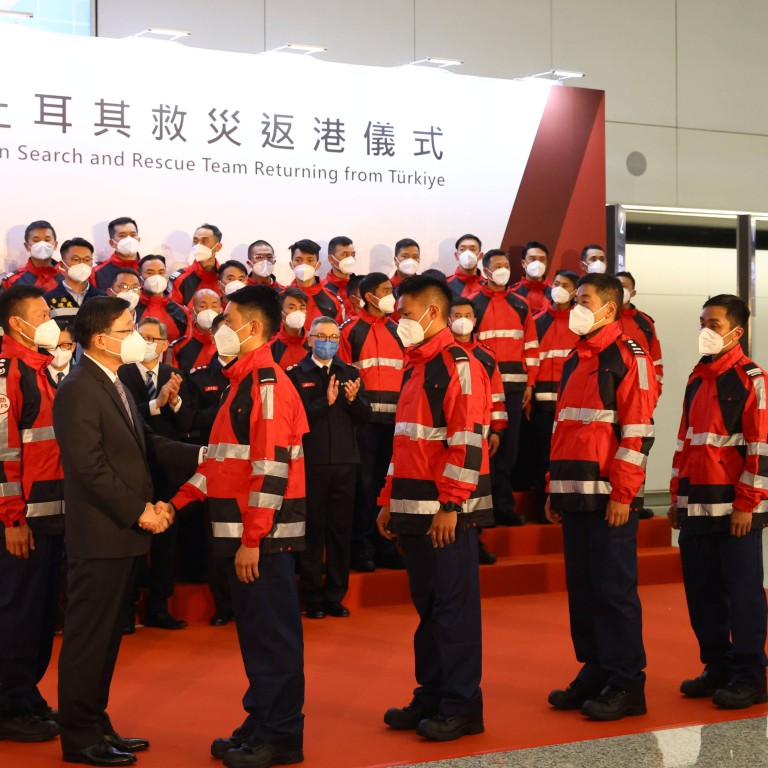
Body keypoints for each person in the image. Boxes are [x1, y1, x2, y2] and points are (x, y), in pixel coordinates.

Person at [53, 296, 200, 766]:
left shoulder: (110, 381)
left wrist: (205, 455)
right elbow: (89, 467)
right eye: (128, 327)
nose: (137, 335)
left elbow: (145, 444)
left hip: (121, 534)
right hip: (102, 534)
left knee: (107, 638)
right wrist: (141, 511)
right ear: (101, 339)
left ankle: (97, 722)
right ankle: (79, 736)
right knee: (88, 639)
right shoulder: (79, 387)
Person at [170, 285, 308, 768]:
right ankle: (261, 721)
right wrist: (178, 501)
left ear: (252, 329)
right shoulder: (241, 382)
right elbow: (224, 463)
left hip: (262, 541)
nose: (218, 327)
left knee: (272, 637)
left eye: (227, 319)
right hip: (243, 536)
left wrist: (253, 539)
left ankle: (282, 734)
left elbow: (270, 469)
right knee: (257, 635)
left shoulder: (266, 384)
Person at [377, 275, 492, 742]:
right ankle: (432, 693)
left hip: (446, 512)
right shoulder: (416, 365)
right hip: (411, 506)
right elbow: (403, 441)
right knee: (429, 609)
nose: (399, 322)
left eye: (405, 314)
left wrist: (452, 504)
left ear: (432, 313)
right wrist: (387, 500)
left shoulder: (459, 364)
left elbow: (467, 439)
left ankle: (462, 705)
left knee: (454, 609)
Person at [545, 273, 655, 721]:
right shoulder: (576, 357)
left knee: (614, 591)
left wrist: (623, 495)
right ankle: (596, 670)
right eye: (575, 298)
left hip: (610, 496)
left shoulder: (630, 356)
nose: (576, 304)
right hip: (573, 493)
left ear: (609, 309)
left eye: (584, 299)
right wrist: (553, 485)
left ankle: (628, 683)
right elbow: (564, 427)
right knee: (584, 590)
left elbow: (637, 433)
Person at [669, 294, 768, 709]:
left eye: (714, 323)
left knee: (743, 593)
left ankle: (750, 675)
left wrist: (747, 503)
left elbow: (760, 447)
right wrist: (675, 496)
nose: (705, 330)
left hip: (735, 509)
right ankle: (718, 666)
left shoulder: (753, 379)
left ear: (737, 331)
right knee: (702, 591)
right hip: (696, 505)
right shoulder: (697, 376)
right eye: (702, 322)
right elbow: (685, 442)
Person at [0, 285, 64, 744]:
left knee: (40, 613)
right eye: (42, 313)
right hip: (21, 522)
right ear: (17, 324)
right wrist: (13, 520)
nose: (51, 319)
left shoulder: (39, 368)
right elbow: (3, 453)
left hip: (49, 515)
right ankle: (7, 704)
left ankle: (24, 695)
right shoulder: (8, 373)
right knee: (17, 613)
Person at [287, 317, 370, 618]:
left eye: (333, 337)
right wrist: (326, 401)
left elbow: (366, 415)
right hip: (312, 464)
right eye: (321, 336)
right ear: (309, 339)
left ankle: (335, 595)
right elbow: (294, 421)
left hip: (346, 463)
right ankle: (312, 598)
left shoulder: (350, 372)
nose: (328, 342)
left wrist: (351, 400)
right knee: (312, 532)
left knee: (340, 531)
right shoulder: (296, 374)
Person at [118, 317, 195, 632]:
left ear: (165, 344)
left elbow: (189, 422)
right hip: (133, 466)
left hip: (168, 469)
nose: (149, 342)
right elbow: (124, 416)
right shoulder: (121, 374)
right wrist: (156, 402)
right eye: (143, 336)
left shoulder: (176, 375)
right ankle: (125, 610)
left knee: (165, 539)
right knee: (132, 538)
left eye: (155, 338)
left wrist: (174, 402)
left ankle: (159, 607)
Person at [339, 272, 405, 572]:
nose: (391, 294)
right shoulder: (350, 330)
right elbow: (343, 378)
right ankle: (361, 547)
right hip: (363, 425)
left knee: (387, 486)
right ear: (368, 296)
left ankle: (386, 545)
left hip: (395, 424)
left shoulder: (401, 331)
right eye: (385, 290)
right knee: (364, 488)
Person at [469, 249, 539, 526]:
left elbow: (531, 347)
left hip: (514, 389)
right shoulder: (473, 304)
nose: (502, 270)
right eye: (496, 265)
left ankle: (504, 507)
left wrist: (530, 382)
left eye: (505, 265)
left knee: (508, 450)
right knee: (483, 449)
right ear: (484, 271)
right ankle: (482, 509)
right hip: (482, 389)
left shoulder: (521, 304)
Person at [448, 296, 507, 564]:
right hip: (451, 437)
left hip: (481, 436)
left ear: (475, 320)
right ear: (448, 320)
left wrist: (497, 429)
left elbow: (496, 395)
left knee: (479, 491)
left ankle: (476, 541)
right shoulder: (443, 354)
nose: (462, 320)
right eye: (456, 315)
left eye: (467, 315)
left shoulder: (486, 355)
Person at [187, 314, 235, 627]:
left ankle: (246, 603)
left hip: (246, 471)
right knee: (217, 540)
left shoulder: (256, 374)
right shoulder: (200, 377)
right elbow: (192, 420)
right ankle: (224, 605)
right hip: (212, 467)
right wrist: (225, 408)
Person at [530, 270, 580, 518]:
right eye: (557, 283)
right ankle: (543, 506)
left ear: (575, 292)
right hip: (542, 403)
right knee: (541, 456)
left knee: (568, 456)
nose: (559, 288)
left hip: (572, 405)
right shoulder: (537, 321)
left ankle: (566, 505)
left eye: (566, 285)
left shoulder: (582, 322)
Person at [616, 271, 663, 395]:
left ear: (633, 293)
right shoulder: (603, 319)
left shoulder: (645, 322)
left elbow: (656, 361)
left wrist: (655, 392)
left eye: (624, 285)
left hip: (639, 392)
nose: (620, 290)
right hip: (609, 391)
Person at [45, 237, 106, 326]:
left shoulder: (103, 298)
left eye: (87, 260)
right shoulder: (48, 300)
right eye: (76, 259)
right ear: (62, 264)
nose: (82, 264)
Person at [287, 239, 342, 330]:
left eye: (310, 260)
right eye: (298, 260)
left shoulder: (332, 300)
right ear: (291, 265)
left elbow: (337, 336)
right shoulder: (281, 298)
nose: (304, 265)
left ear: (318, 265)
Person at [135, 255, 189, 344]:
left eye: (161, 272)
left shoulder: (181, 312)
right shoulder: (131, 309)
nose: (157, 277)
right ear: (140, 277)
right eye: (150, 273)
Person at [170, 223, 224, 307]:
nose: (198, 246)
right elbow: (174, 313)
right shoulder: (180, 278)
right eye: (195, 241)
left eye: (204, 241)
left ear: (218, 247)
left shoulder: (226, 278)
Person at [3, 220, 64, 292]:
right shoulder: (11, 281)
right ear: (27, 246)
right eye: (36, 241)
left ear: (55, 245)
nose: (42, 244)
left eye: (47, 240)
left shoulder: (66, 278)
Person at [171, 289, 222, 373]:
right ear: (192, 312)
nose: (209, 310)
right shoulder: (179, 346)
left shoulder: (231, 342)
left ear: (221, 311)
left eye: (214, 306)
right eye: (202, 306)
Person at [90, 217, 141, 291]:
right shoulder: (97, 272)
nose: (129, 240)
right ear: (112, 243)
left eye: (133, 235)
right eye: (122, 236)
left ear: (138, 240)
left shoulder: (149, 269)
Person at [269, 288, 309, 371]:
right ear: (281, 312)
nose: (298, 313)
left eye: (302, 308)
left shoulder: (314, 344)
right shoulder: (270, 347)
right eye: (291, 308)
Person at [511, 241, 552, 313]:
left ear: (546, 264)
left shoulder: (555, 293)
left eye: (542, 260)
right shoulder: (511, 292)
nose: (537, 263)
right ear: (523, 263)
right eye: (532, 259)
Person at [322, 235, 358, 318]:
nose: (350, 259)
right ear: (331, 259)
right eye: (345, 255)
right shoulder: (323, 289)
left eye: (353, 255)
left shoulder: (361, 287)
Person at [46, 323, 75, 389]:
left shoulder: (81, 376)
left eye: (64, 345)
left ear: (73, 347)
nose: (58, 351)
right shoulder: (36, 376)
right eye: (53, 346)